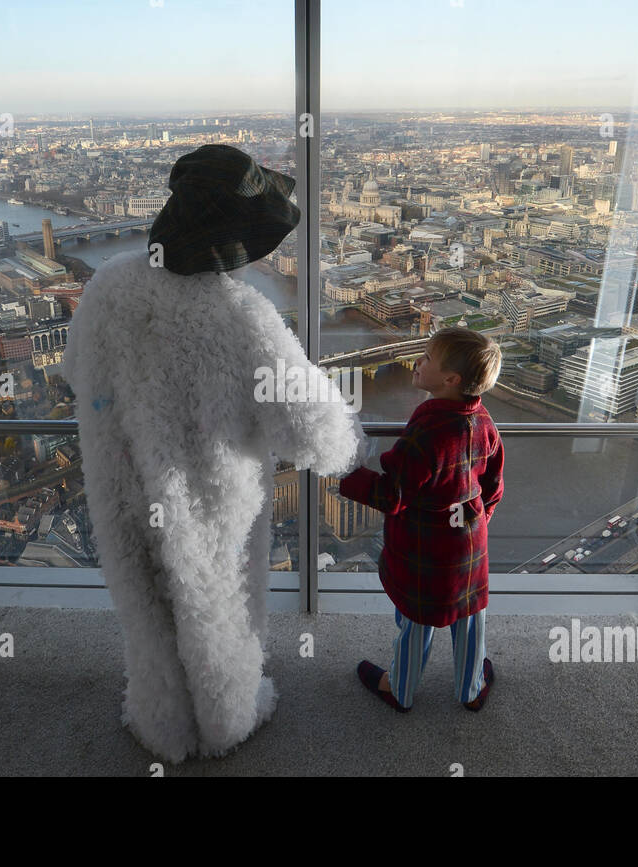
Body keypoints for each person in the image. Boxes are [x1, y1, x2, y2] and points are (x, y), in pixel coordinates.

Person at [62, 144, 365, 762]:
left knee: (147, 611)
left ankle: (160, 726)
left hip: (119, 485)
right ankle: (229, 722)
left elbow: (76, 370)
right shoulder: (241, 314)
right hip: (210, 497)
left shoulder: (109, 285)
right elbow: (321, 436)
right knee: (217, 609)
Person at [338, 326, 504, 712]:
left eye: (427, 358)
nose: (417, 361)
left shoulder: (426, 432)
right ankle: (471, 687)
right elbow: (493, 486)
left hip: (425, 550)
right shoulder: (485, 423)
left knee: (416, 622)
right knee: (471, 621)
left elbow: (393, 495)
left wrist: (347, 475)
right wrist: (475, 523)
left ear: (450, 379)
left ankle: (401, 689)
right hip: (470, 542)